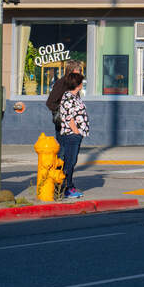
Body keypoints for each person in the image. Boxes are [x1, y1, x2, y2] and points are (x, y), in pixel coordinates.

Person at [56, 69, 90, 199]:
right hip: (71, 134)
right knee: (70, 161)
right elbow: (68, 116)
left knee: (71, 160)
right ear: (78, 84)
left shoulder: (74, 96)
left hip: (76, 134)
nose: (82, 84)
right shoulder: (68, 97)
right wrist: (76, 130)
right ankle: (66, 188)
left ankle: (68, 185)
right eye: (81, 82)